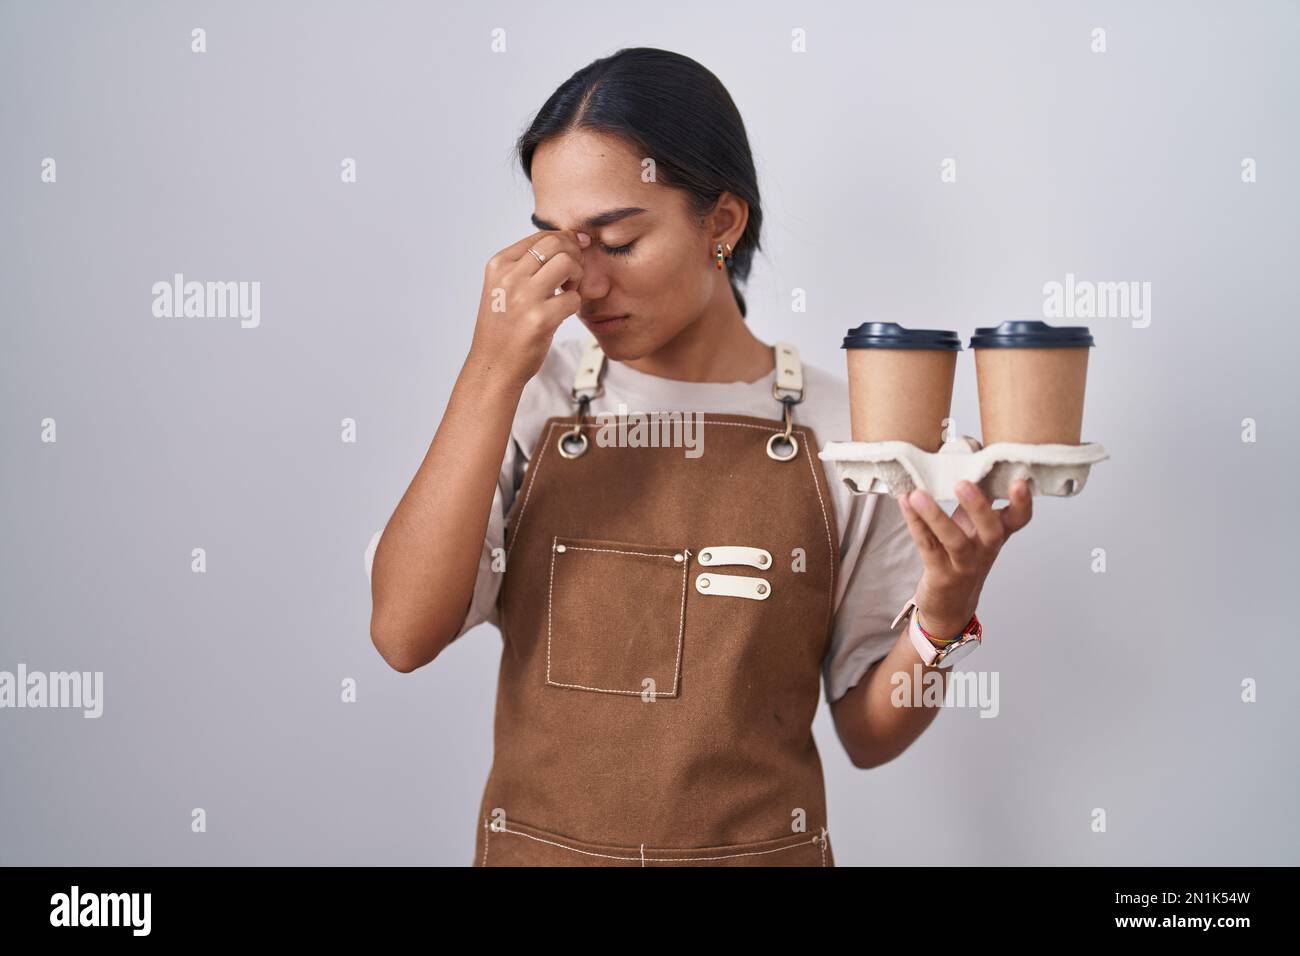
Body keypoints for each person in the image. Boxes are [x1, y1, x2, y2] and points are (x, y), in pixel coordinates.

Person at [368, 47, 1033, 867]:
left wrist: (943, 616)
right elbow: (402, 636)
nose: (586, 285)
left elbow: (871, 733)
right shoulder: (526, 396)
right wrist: (488, 370)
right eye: (557, 245)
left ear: (722, 222)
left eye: (617, 242)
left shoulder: (846, 428)